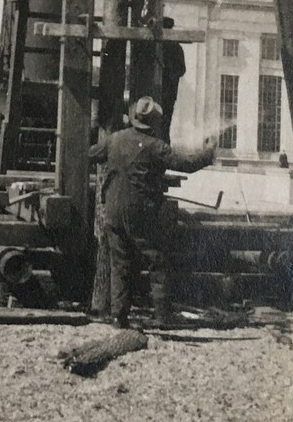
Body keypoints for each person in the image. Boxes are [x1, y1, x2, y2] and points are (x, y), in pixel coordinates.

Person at [91, 96, 216, 329]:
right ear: (154, 123)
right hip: (140, 211)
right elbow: (185, 163)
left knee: (120, 263)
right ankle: (163, 316)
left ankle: (119, 317)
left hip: (113, 209)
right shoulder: (155, 146)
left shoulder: (115, 139)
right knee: (156, 260)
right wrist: (208, 153)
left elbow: (91, 154)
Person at [159, 17, 186, 139]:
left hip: (167, 90)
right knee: (164, 121)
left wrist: (168, 74)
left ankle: (163, 145)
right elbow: (182, 69)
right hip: (166, 91)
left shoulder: (176, 47)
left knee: (164, 121)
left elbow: (181, 69)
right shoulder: (174, 47)